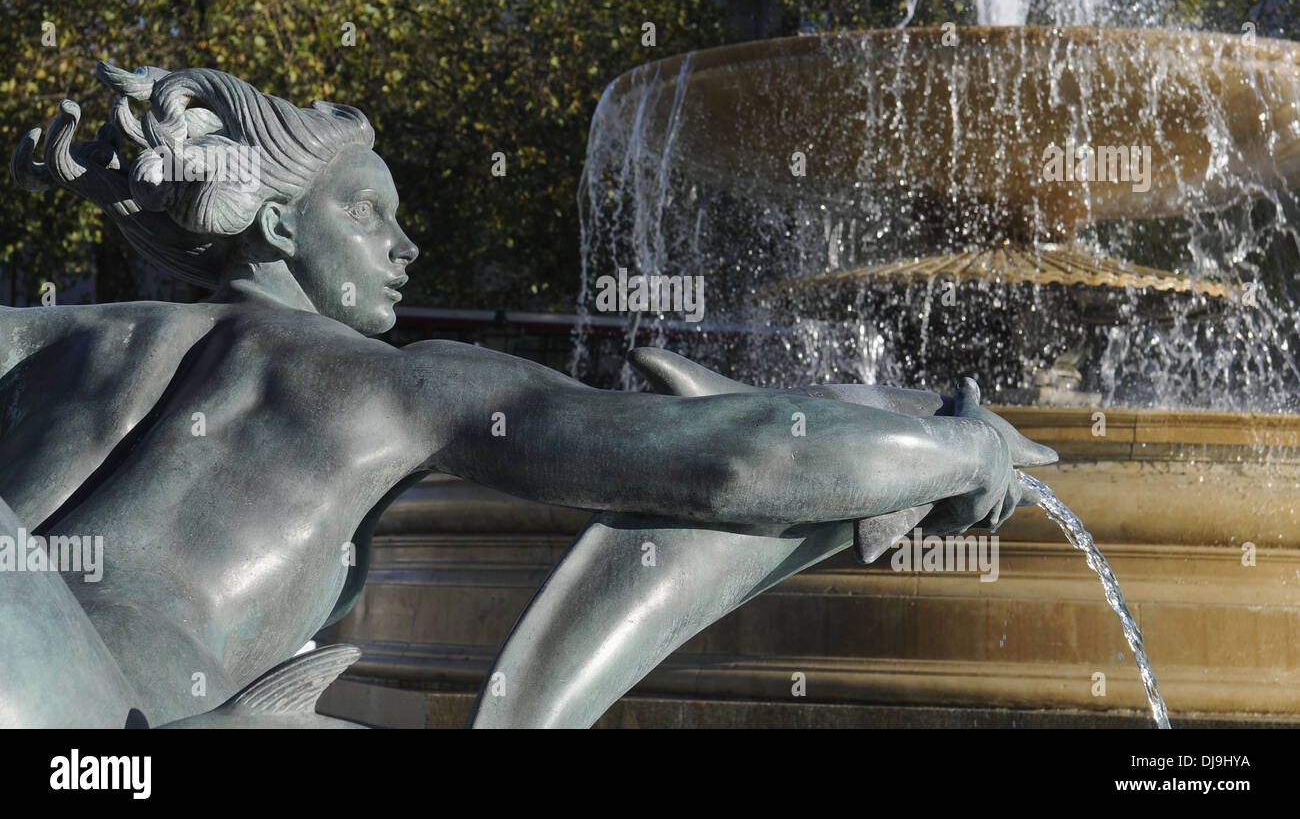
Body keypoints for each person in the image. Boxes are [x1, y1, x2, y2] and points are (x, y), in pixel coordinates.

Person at [0, 64, 1055, 728]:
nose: (406, 246)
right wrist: (967, 455)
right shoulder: (398, 382)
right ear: (277, 228)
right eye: (369, 213)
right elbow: (734, 459)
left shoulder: (47, 340)